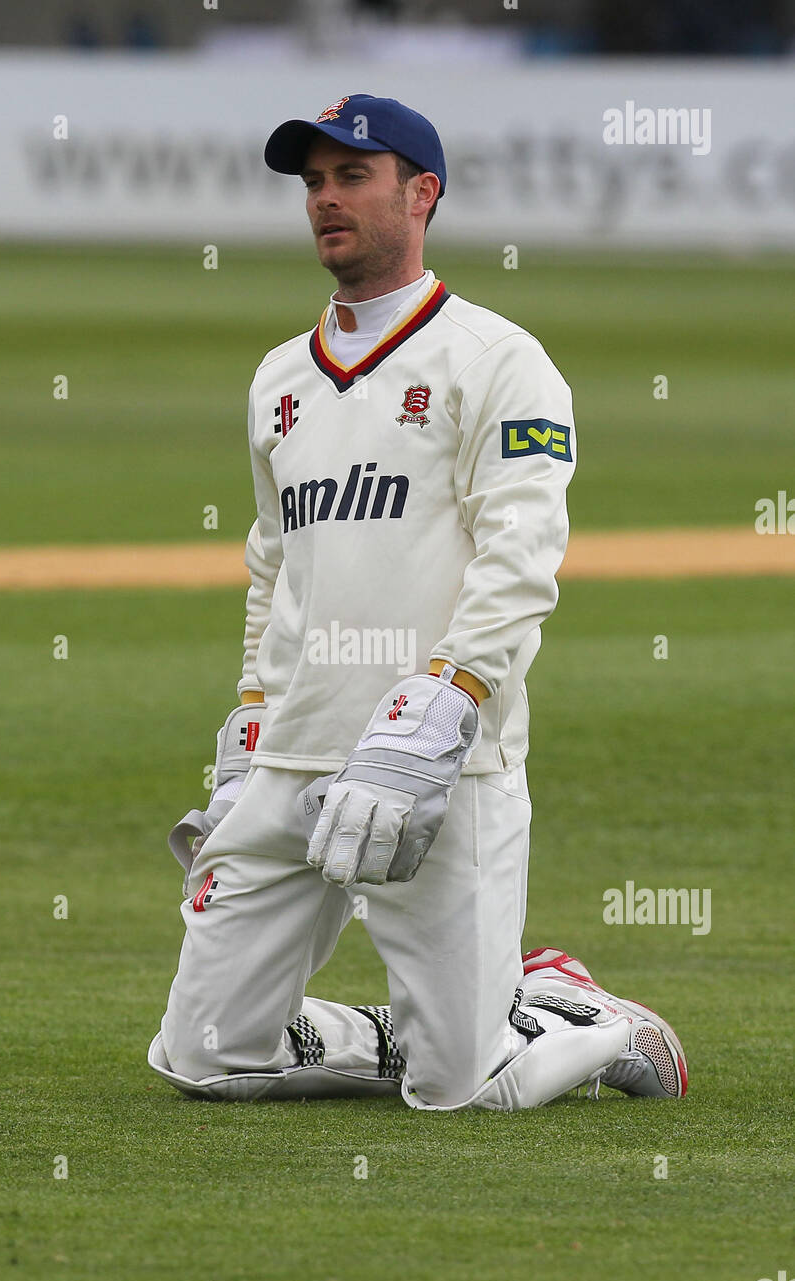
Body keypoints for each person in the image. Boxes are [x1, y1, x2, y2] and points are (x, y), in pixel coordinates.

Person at [149, 95, 687, 1111]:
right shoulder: (277, 380)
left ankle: (565, 1007)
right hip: (295, 758)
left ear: (421, 192)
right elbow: (274, 565)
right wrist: (251, 716)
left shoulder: (496, 360)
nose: (324, 200)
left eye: (351, 176)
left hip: (441, 762)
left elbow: (520, 555)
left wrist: (446, 696)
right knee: (206, 1057)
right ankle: (415, 1024)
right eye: (311, 182)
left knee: (464, 1091)